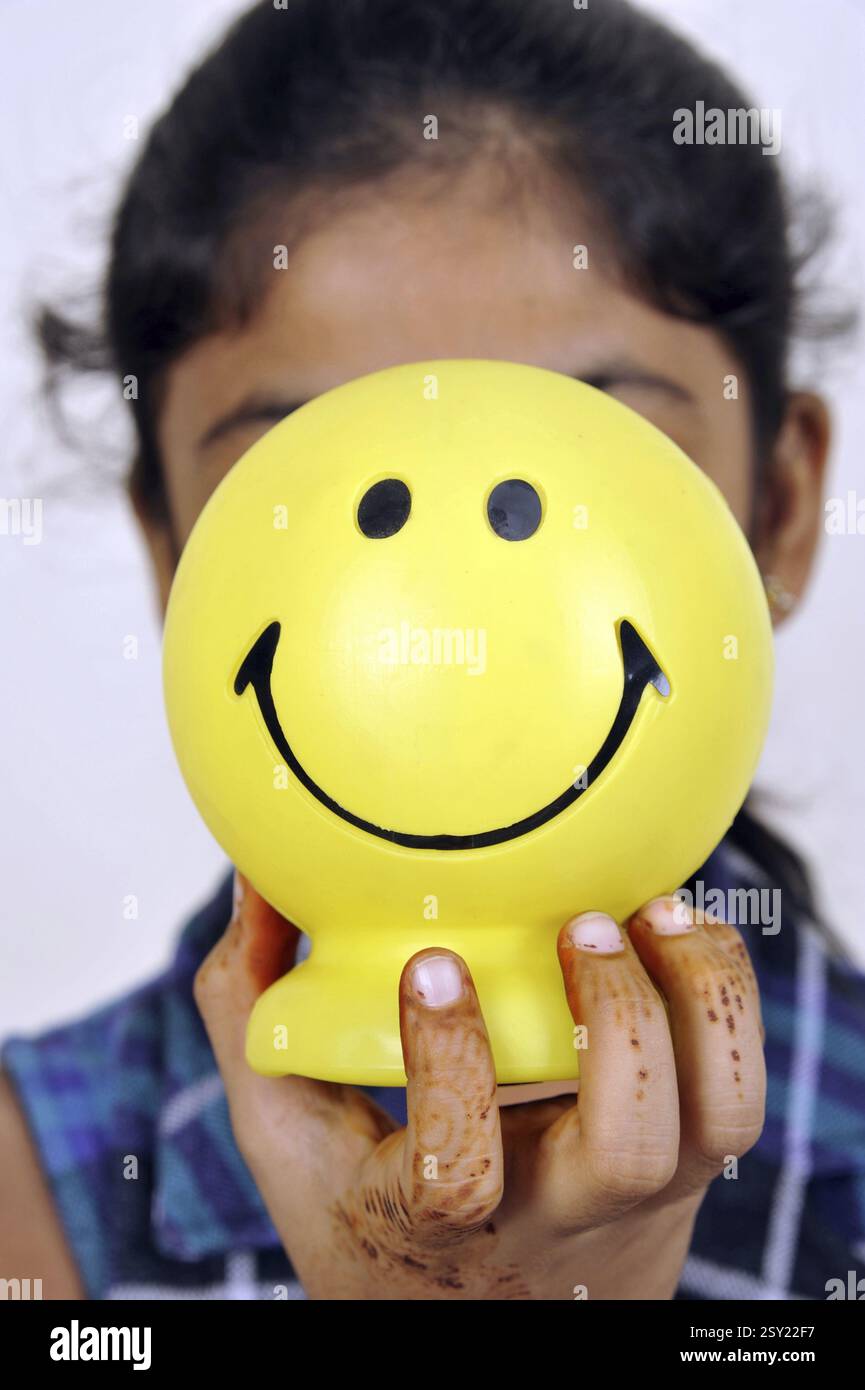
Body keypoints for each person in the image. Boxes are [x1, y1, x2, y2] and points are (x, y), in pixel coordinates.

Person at [2, 0, 864, 1300]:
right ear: (177, 551)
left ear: (779, 510)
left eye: (588, 450)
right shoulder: (29, 1204)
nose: (447, 603)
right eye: (307, 461)